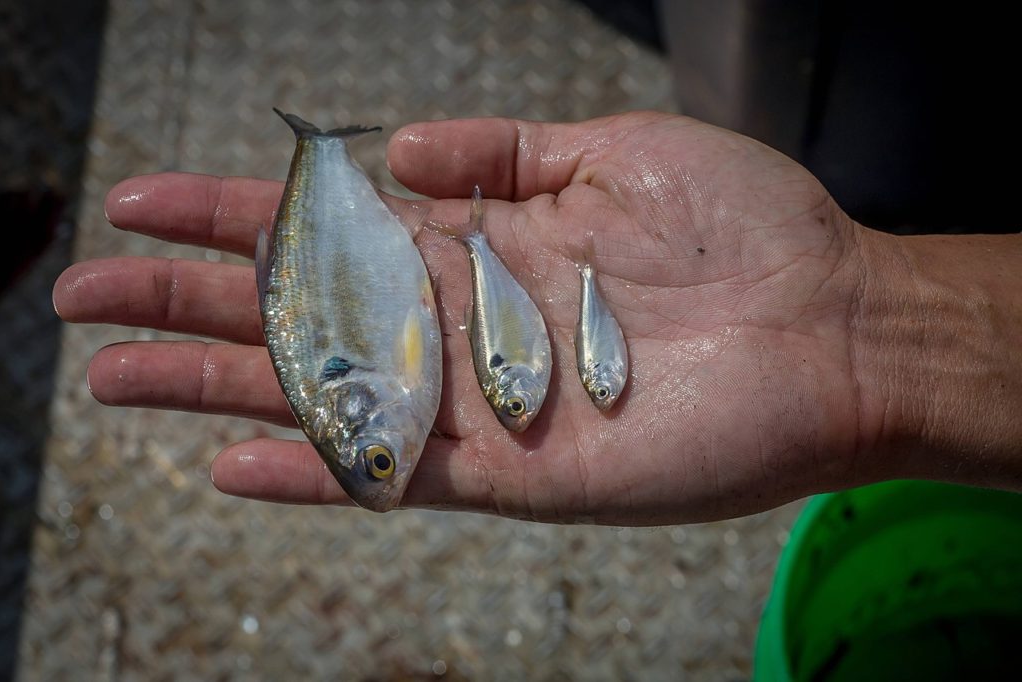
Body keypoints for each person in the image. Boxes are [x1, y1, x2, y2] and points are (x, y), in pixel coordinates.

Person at [52, 112, 1022, 525]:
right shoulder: (390, 376)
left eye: (377, 456)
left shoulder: (367, 377)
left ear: (359, 420)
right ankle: (323, 154)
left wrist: (861, 308)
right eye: (379, 460)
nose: (391, 459)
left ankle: (321, 154)